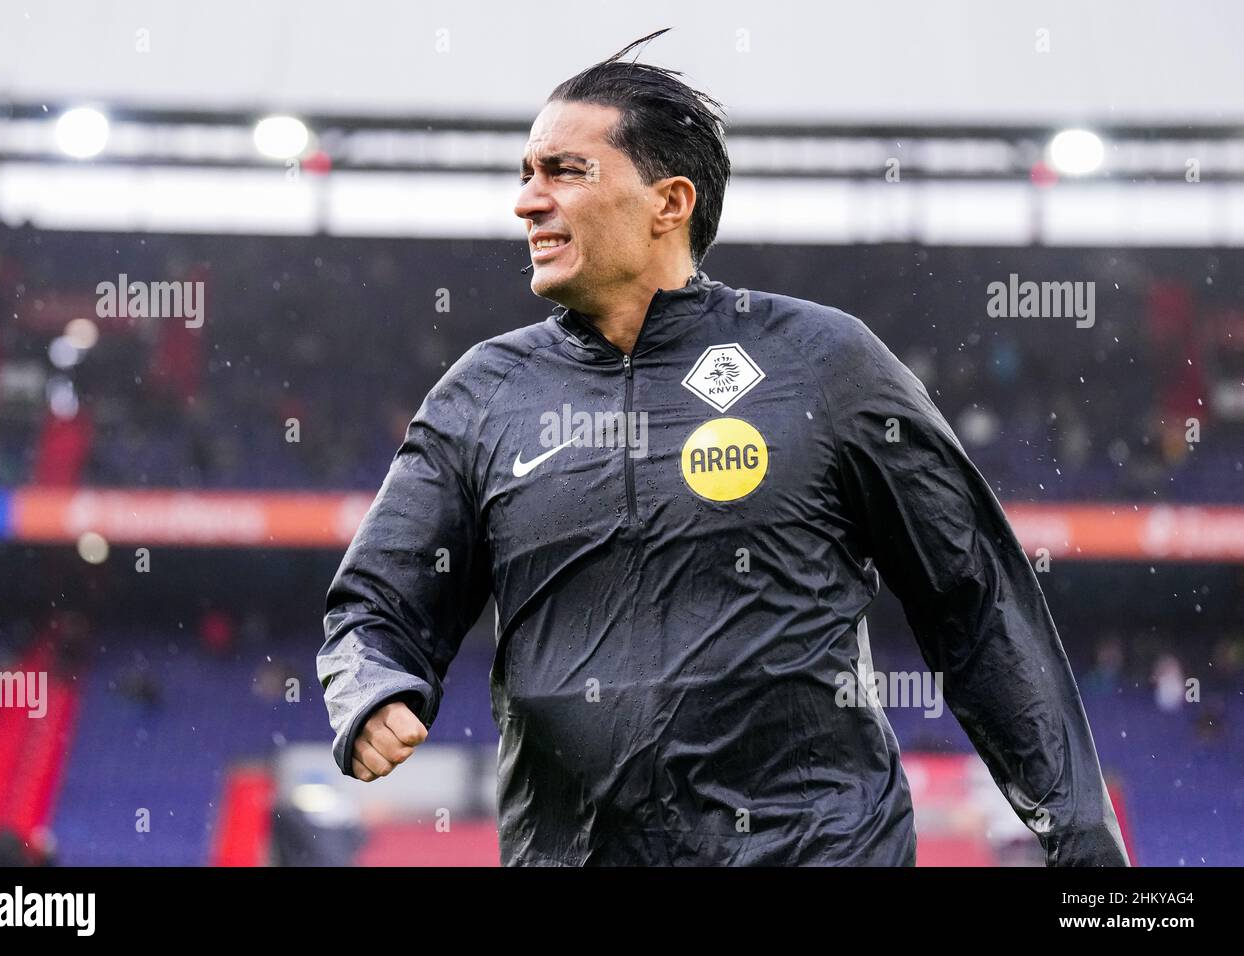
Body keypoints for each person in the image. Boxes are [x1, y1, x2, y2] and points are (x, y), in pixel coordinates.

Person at [317, 29, 1128, 866]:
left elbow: (977, 601)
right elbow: (376, 604)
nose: (528, 200)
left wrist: (1084, 845)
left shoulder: (826, 365)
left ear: (670, 202)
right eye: (526, 175)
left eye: (565, 171)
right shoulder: (482, 396)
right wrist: (374, 688)